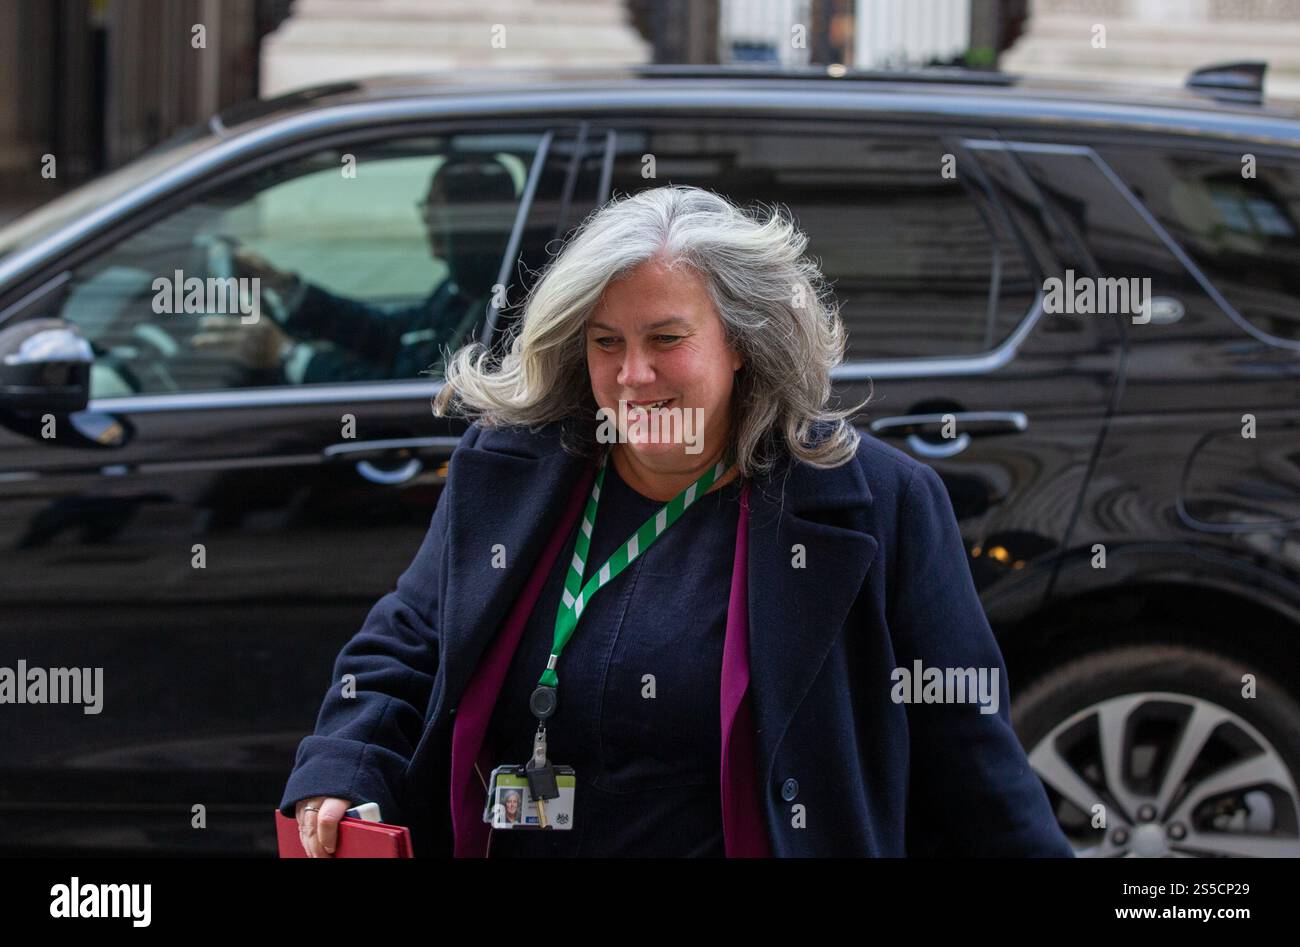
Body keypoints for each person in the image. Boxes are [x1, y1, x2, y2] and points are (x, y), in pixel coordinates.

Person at [280, 185, 1075, 858]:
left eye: (666, 339)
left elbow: (969, 760)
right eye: (606, 343)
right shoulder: (510, 470)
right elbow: (408, 641)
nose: (633, 376)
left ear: (741, 341)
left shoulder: (876, 504)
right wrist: (343, 762)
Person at [191, 152, 517, 384]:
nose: (426, 218)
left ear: (467, 224)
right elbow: (392, 334)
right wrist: (285, 286)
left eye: (435, 208)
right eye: (426, 207)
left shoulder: (491, 304)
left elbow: (398, 395)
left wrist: (286, 354)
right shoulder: (464, 287)